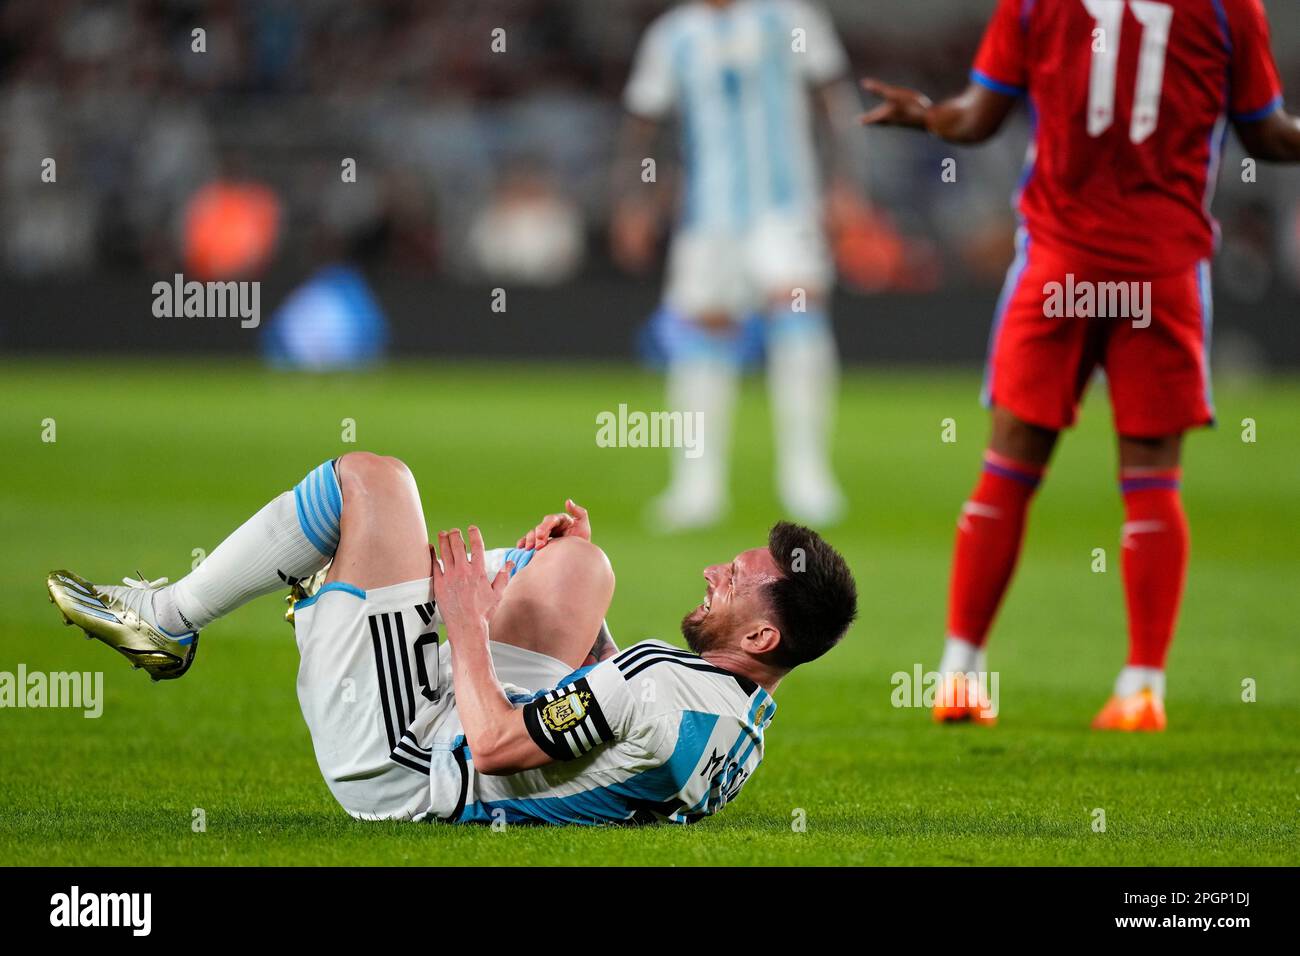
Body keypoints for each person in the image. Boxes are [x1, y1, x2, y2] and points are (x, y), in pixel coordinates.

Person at [861, 0, 1300, 730]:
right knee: (1153, 477)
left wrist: (927, 117)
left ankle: (959, 673)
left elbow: (977, 119)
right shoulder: (1231, 8)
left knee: (1009, 463)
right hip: (1162, 269)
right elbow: (1268, 134)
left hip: (1060, 264)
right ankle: (1142, 685)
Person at [47, 453, 857, 824]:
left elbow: (502, 743)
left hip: (403, 764)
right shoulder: (739, 717)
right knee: (581, 566)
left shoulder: (654, 682)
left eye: (737, 577)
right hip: (475, 737)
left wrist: (466, 619)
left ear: (757, 630)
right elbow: (619, 719)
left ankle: (169, 621)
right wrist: (550, 577)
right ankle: (360, 618)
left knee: (373, 482)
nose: (717, 568)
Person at [611, 0, 871, 530]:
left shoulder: (791, 19)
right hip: (707, 217)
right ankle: (697, 487)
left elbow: (834, 105)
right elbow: (646, 125)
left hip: (786, 207)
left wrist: (846, 185)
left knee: (798, 320)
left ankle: (807, 477)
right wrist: (635, 200)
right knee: (701, 338)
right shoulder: (673, 35)